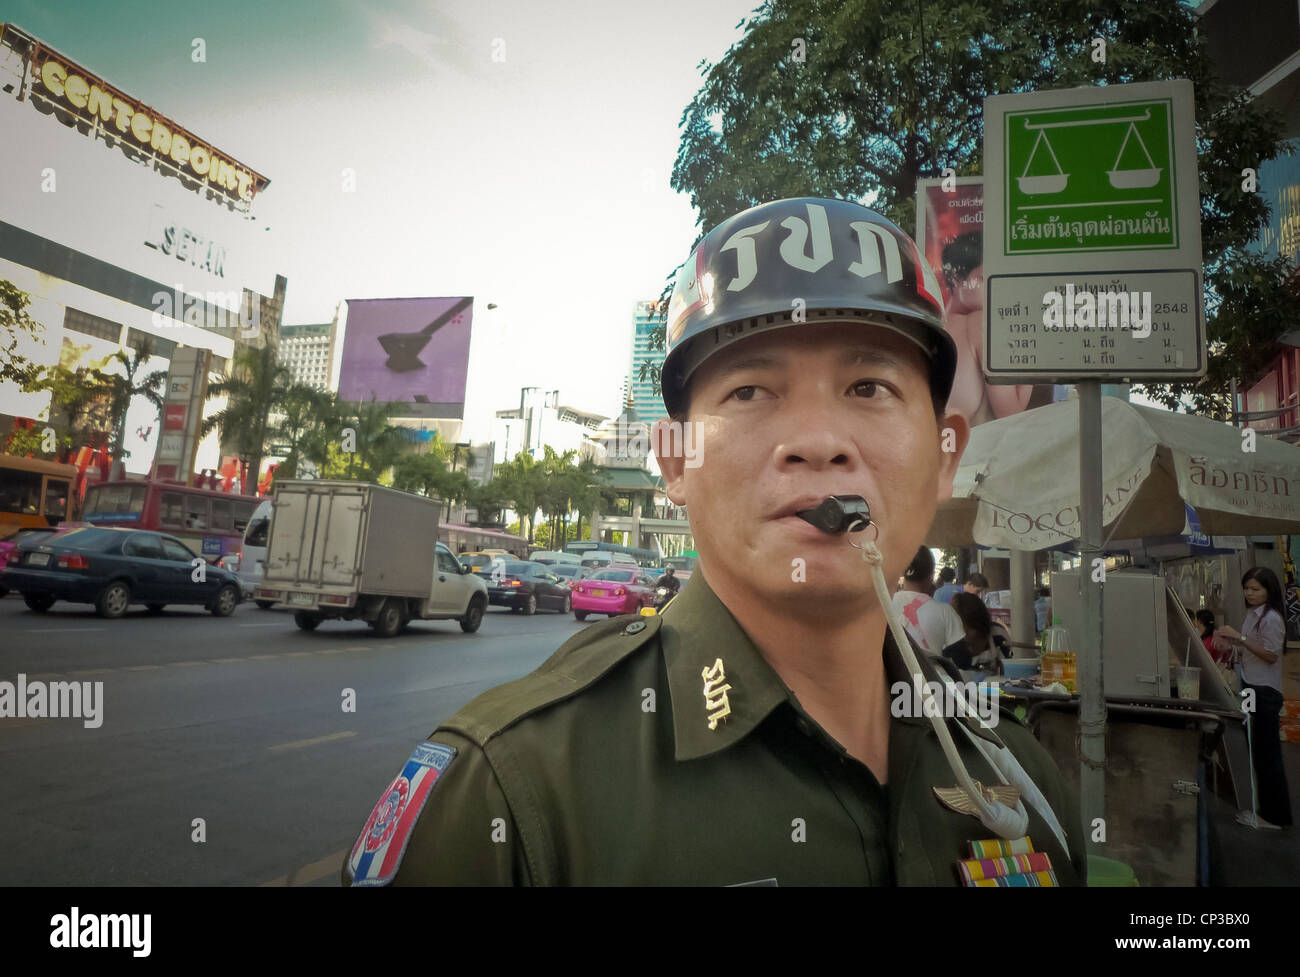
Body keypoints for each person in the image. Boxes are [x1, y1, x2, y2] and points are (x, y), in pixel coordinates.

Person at [341, 196, 1087, 885]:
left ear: (947, 455)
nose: (818, 442)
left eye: (870, 388)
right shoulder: (513, 790)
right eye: (750, 391)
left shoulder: (1018, 781)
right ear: (674, 461)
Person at [1214, 567, 1292, 830]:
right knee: (1257, 752)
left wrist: (1240, 638)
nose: (1250, 593)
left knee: (1267, 755)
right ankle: (1266, 810)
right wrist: (1232, 646)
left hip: (1265, 692)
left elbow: (1271, 654)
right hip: (1250, 686)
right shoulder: (1252, 615)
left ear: (1269, 590)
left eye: (1255, 589)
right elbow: (1250, 650)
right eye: (1247, 588)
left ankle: (1273, 817)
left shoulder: (1271, 619)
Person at [892, 546, 965, 656]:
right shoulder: (945, 612)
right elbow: (961, 658)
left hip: (891, 672)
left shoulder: (881, 607)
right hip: (930, 672)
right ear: (931, 575)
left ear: (903, 571)